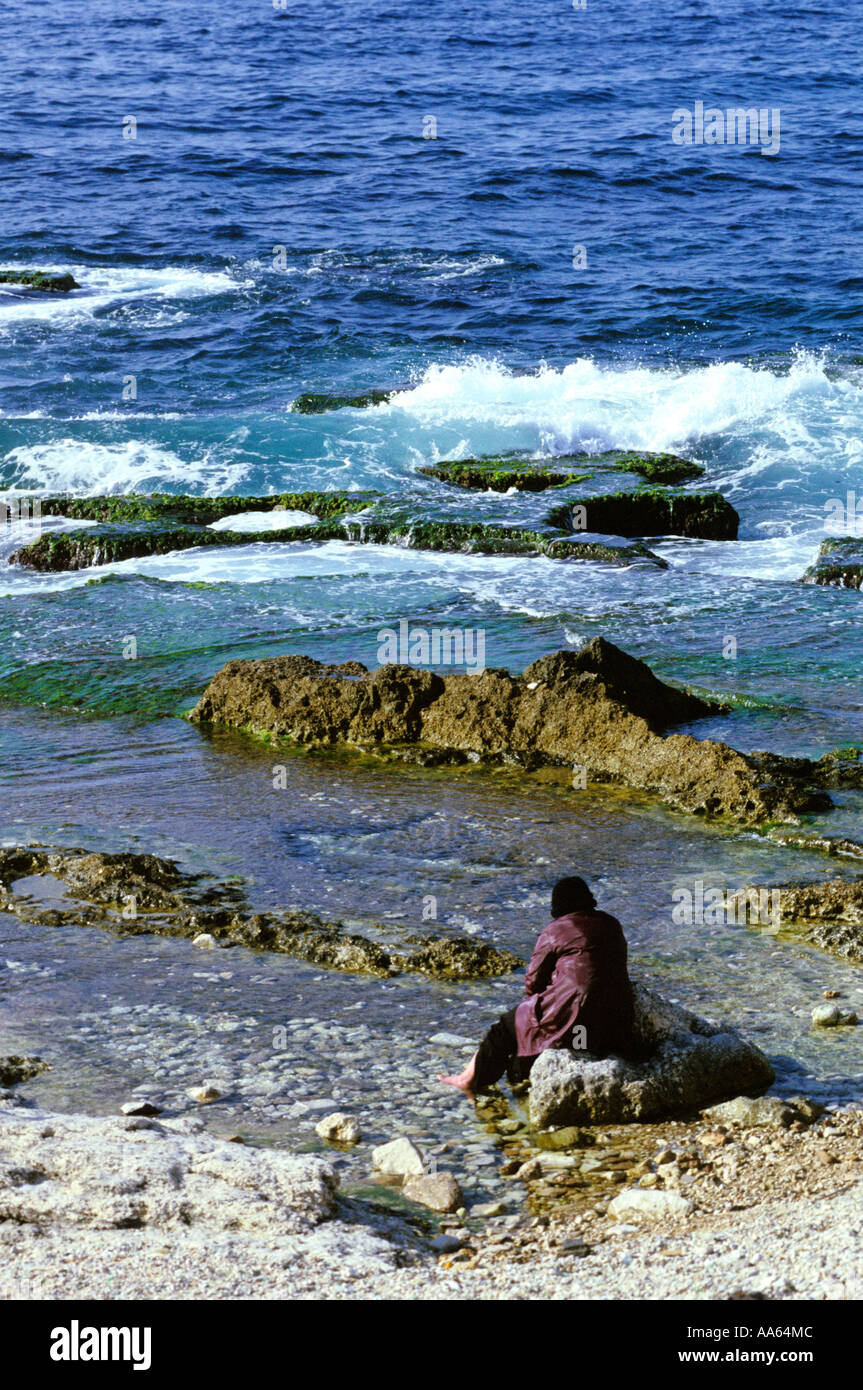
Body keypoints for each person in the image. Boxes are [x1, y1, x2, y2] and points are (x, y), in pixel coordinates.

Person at [439, 875, 634, 1097]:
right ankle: (514, 1076)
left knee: (507, 1026)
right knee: (527, 1041)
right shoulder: (612, 923)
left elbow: (532, 982)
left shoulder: (556, 929)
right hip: (616, 1021)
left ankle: (468, 1080)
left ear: (558, 906)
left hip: (576, 1014)